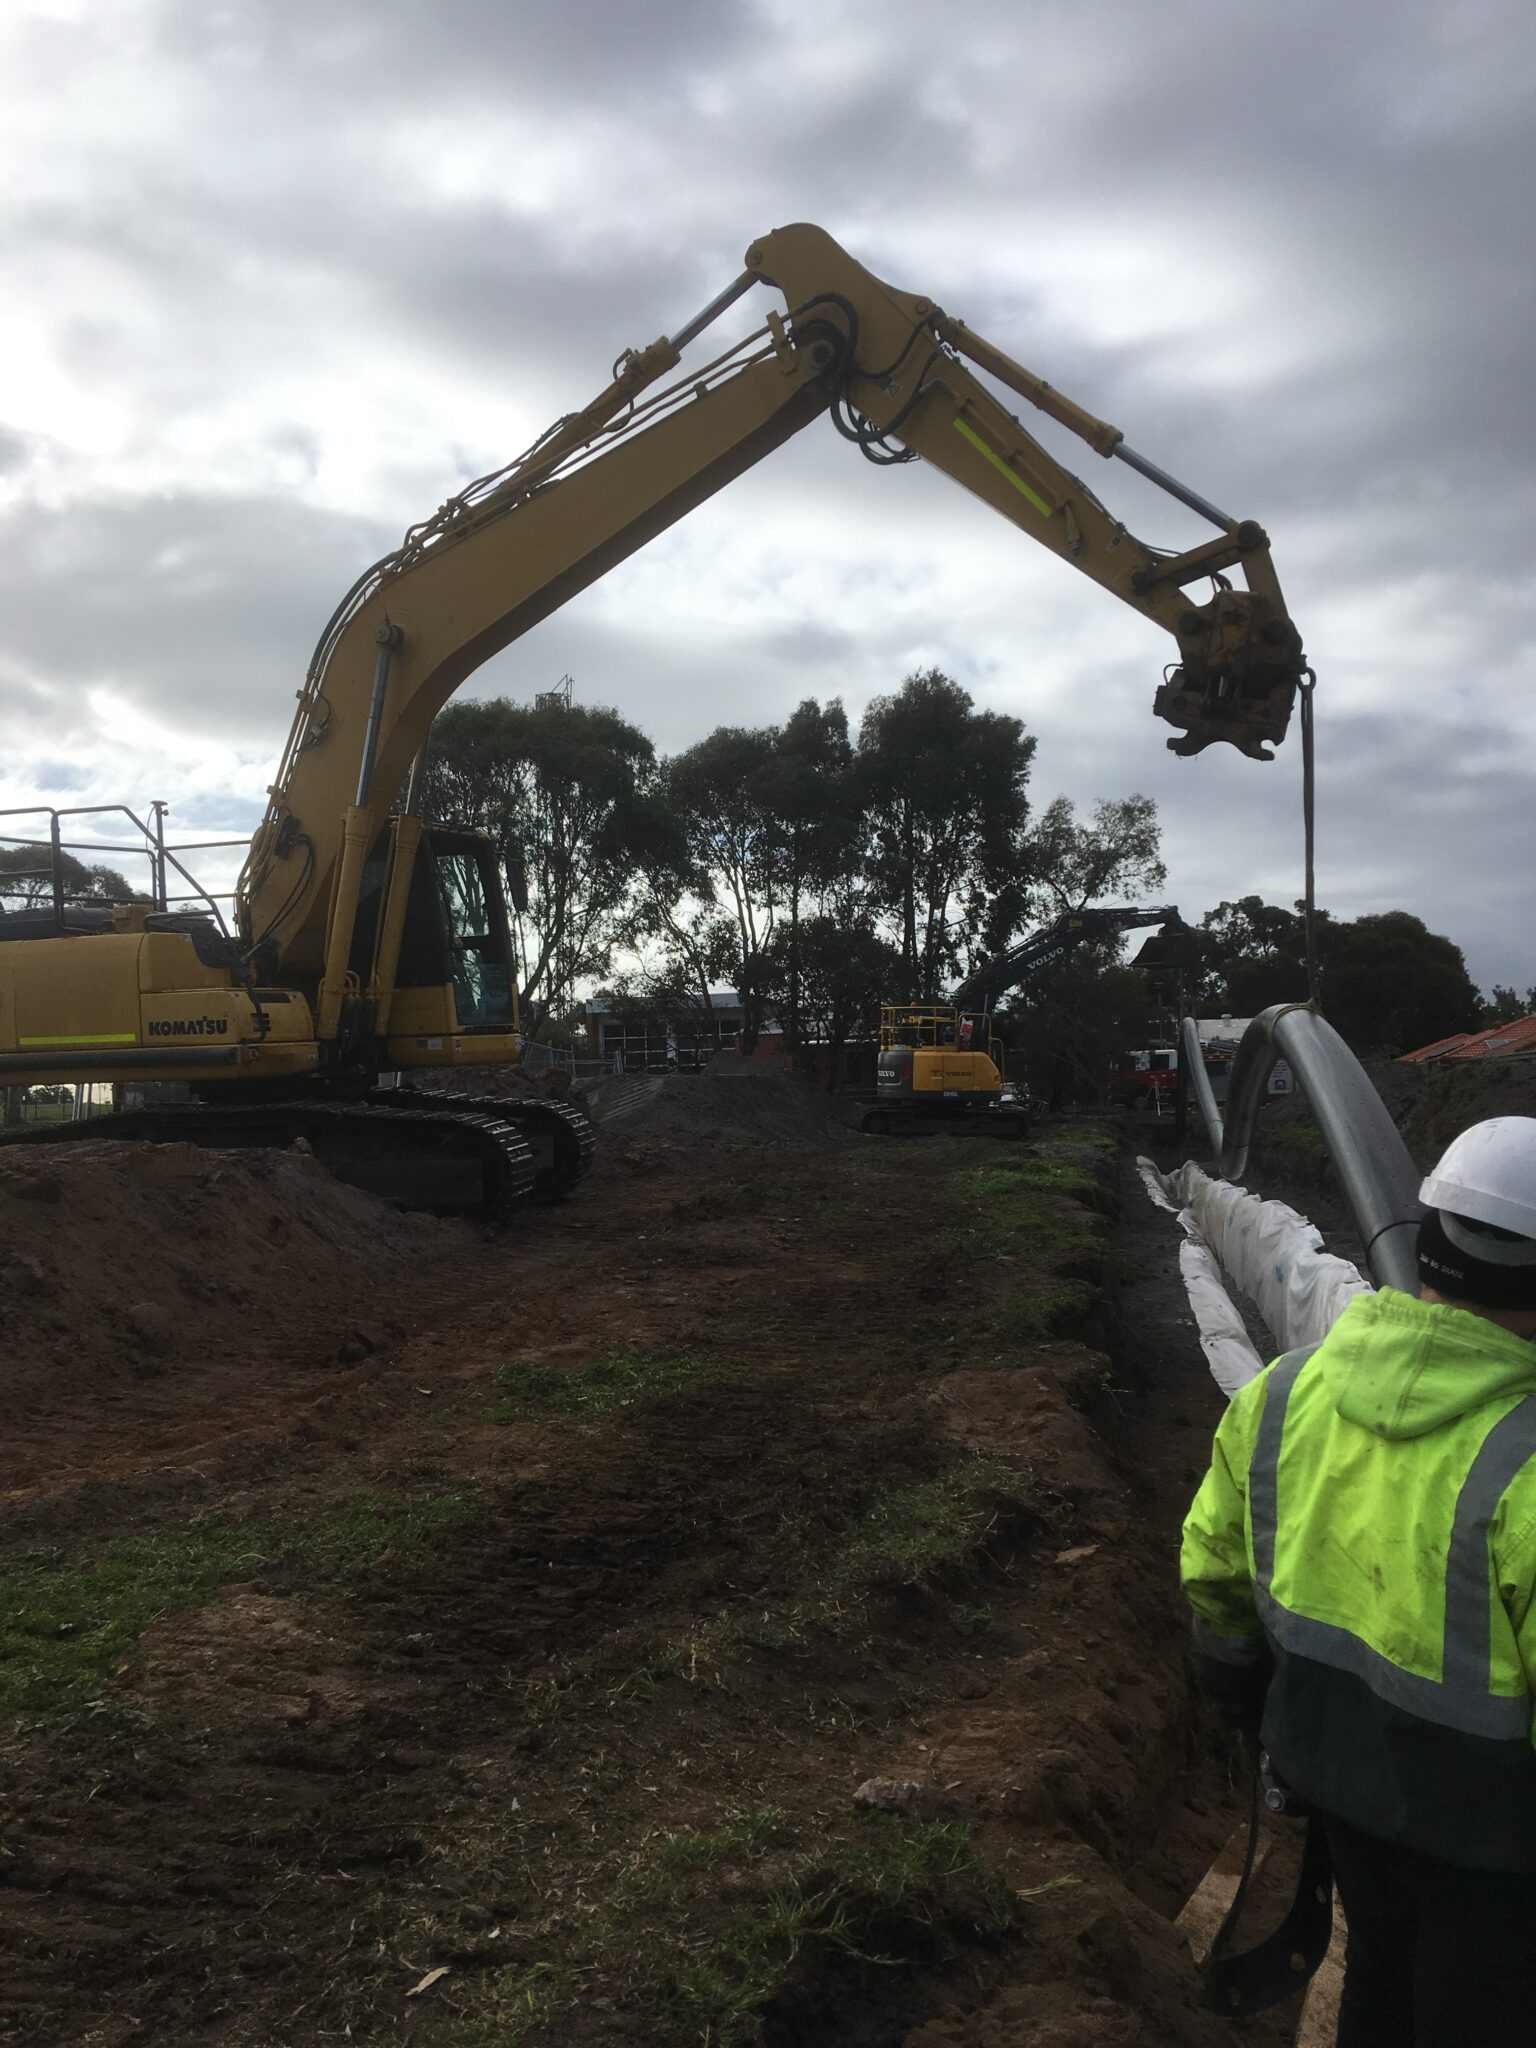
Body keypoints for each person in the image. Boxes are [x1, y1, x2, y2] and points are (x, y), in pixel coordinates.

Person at [1180, 1116, 1536, 2045]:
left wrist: (1241, 1686)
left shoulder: (1284, 1394)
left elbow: (1216, 1571)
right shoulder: (1527, 1469)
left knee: (1378, 1970)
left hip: (1342, 1789)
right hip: (1494, 1845)